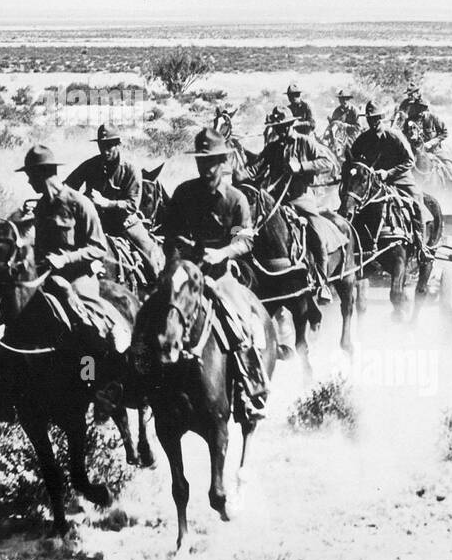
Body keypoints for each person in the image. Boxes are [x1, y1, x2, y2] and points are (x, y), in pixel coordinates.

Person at [0, 145, 113, 422]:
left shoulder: (79, 203)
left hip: (79, 277)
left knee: (86, 327)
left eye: (31, 174)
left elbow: (98, 248)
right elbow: (41, 247)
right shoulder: (41, 207)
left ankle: (94, 385)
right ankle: (6, 390)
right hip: (47, 276)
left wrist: (66, 259)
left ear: (43, 173)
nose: (28, 180)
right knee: (17, 317)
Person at [153, 128, 269, 422]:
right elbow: (171, 235)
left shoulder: (235, 200)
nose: (207, 168)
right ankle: (143, 385)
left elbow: (243, 240)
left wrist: (221, 253)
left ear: (223, 162)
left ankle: (249, 389)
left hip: (220, 276)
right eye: (202, 162)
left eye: (213, 162)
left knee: (243, 323)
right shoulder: (183, 194)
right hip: (186, 273)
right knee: (151, 315)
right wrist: (182, 254)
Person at [261, 107, 340, 303]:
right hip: (276, 201)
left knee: (316, 233)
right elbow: (257, 166)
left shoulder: (305, 142)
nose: (280, 131)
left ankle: (322, 284)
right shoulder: (272, 147)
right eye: (277, 127)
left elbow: (327, 163)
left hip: (301, 199)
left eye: (284, 126)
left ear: (291, 125)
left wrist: (302, 167)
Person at [64, 125, 160, 283]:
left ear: (118, 144)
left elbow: (132, 205)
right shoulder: (91, 165)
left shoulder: (131, 169)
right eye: (102, 146)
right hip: (95, 223)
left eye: (109, 146)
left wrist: (106, 203)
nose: (105, 150)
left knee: (150, 253)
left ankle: (157, 291)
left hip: (124, 224)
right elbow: (68, 185)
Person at [348, 101, 431, 260]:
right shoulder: (364, 138)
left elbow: (409, 161)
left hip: (400, 178)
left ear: (381, 118)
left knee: (417, 202)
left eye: (375, 118)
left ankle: (421, 246)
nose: (373, 122)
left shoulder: (394, 135)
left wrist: (388, 173)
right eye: (370, 119)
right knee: (352, 203)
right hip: (373, 182)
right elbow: (354, 159)